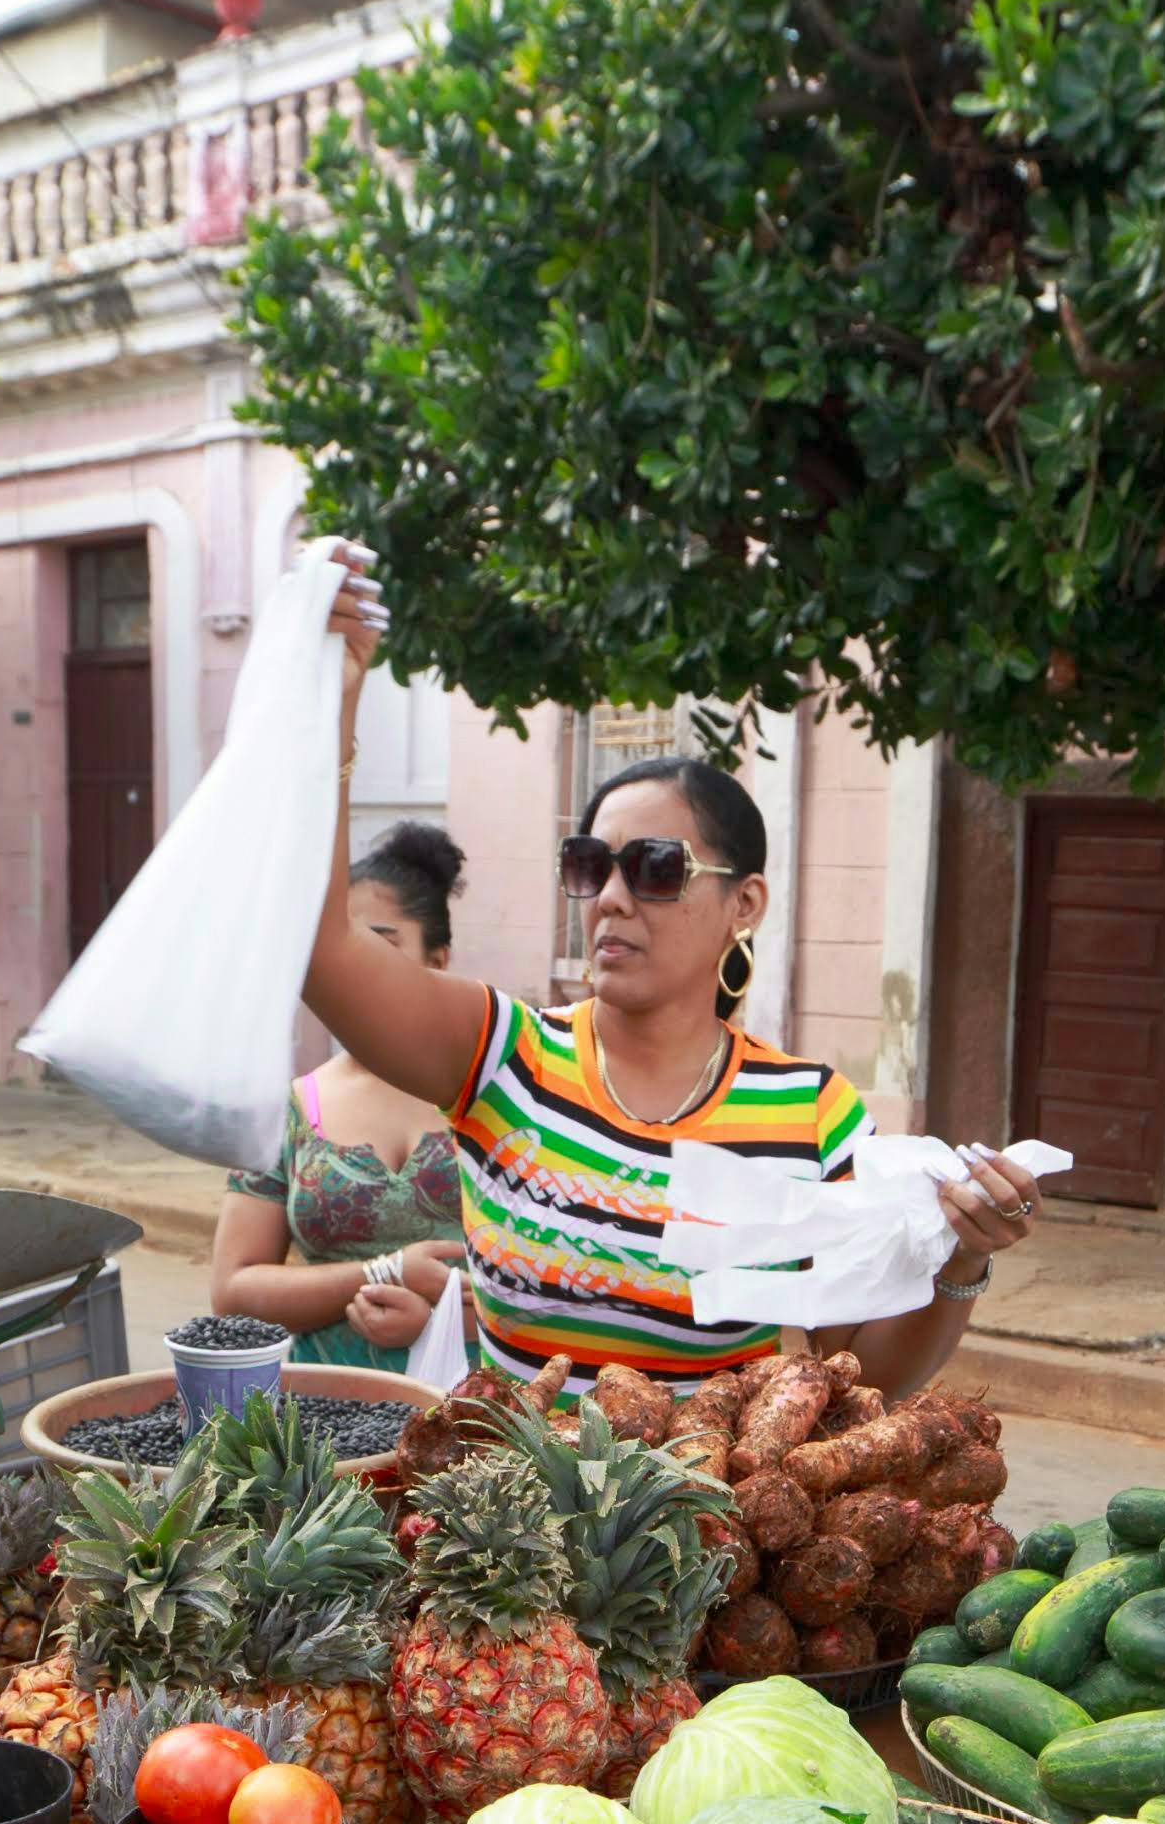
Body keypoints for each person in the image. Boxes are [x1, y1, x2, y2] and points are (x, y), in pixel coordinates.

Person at [293, 578, 1039, 1390]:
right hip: (506, 1510)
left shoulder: (808, 1116)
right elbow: (319, 949)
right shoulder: (501, 1058)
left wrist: (964, 1255)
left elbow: (860, 1379)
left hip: (703, 1512)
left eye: (654, 868)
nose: (611, 896)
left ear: (742, 903)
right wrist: (329, 711)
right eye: (589, 865)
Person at [209, 820, 472, 1367]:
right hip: (330, 1423)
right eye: (336, 947)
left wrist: (441, 1318)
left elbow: (563, 1280)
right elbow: (233, 1291)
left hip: (485, 1415)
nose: (353, 968)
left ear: (438, 960)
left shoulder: (495, 1095)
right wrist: (382, 1271)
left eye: (379, 942)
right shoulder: (288, 1110)